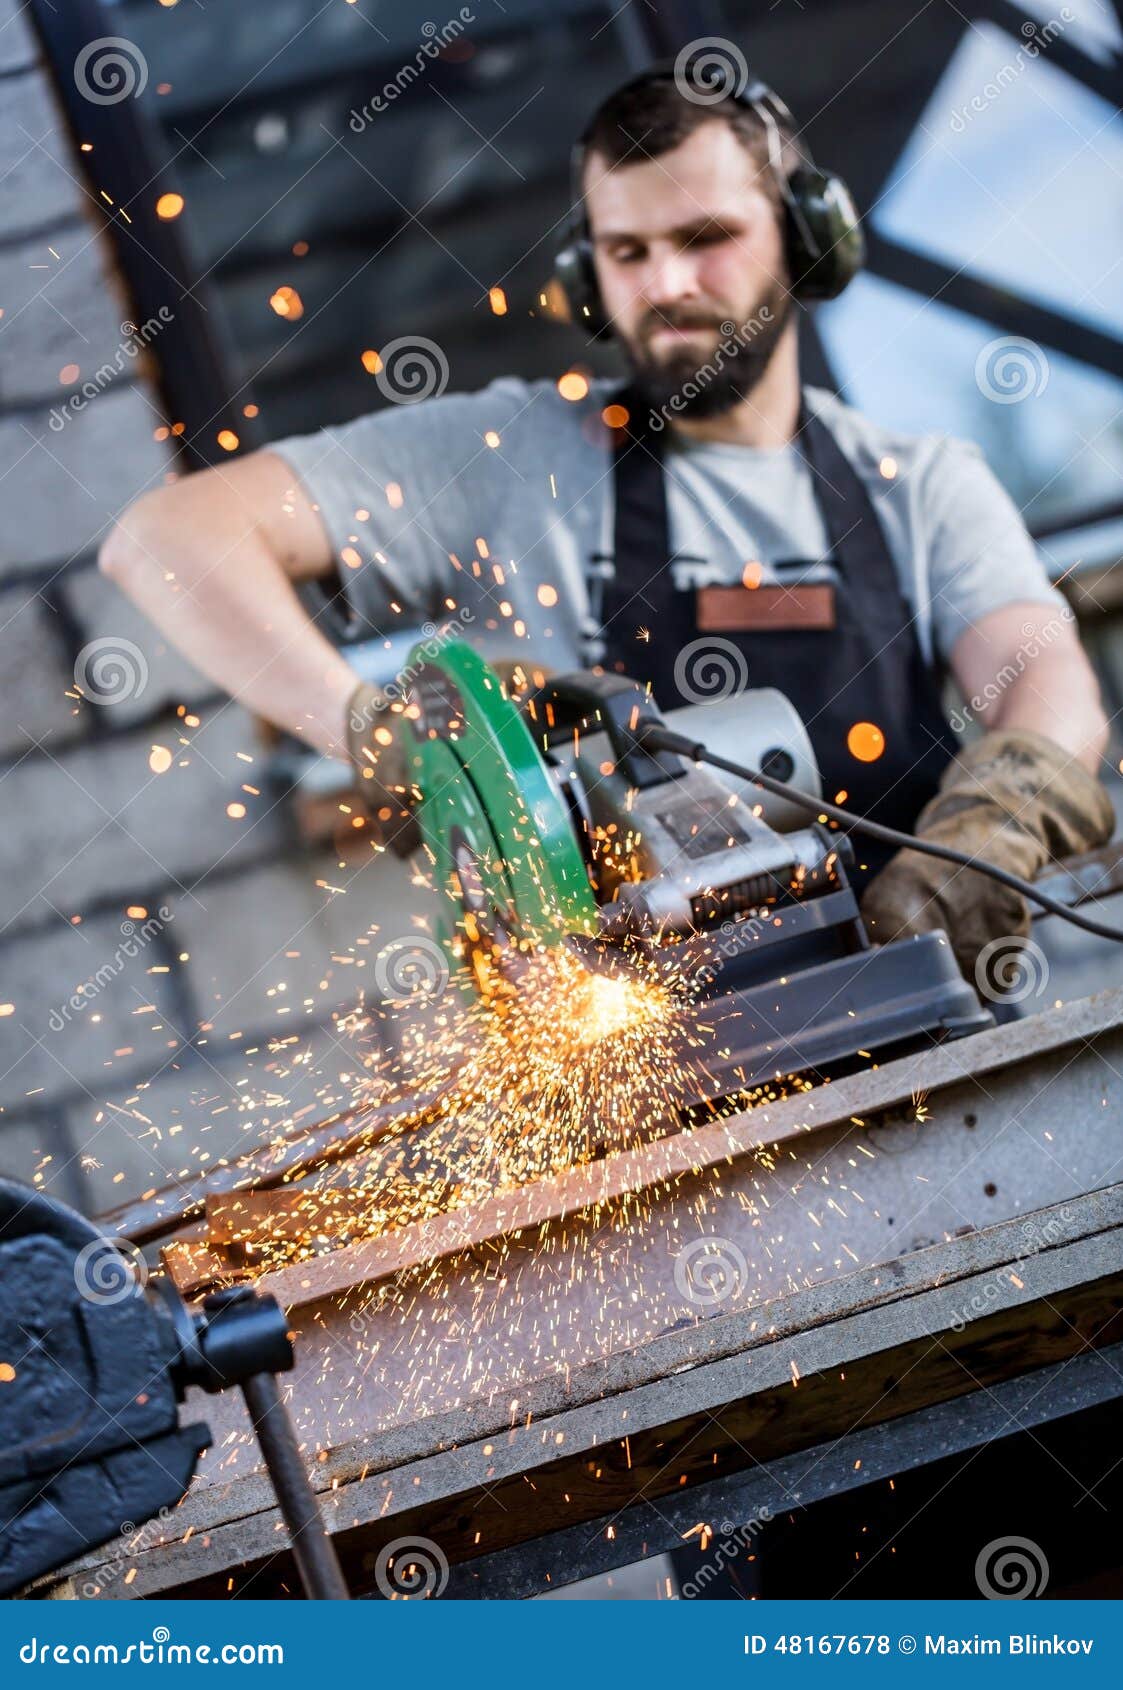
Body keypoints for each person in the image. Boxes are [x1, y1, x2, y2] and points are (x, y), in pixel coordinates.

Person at [99, 57, 1113, 981]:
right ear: (588, 279)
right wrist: (386, 740)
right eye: (626, 252)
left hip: (925, 1018)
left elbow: (1049, 690)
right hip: (629, 1086)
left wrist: (999, 822)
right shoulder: (510, 461)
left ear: (806, 239)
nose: (666, 285)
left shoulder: (918, 485)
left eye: (705, 239)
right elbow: (166, 541)